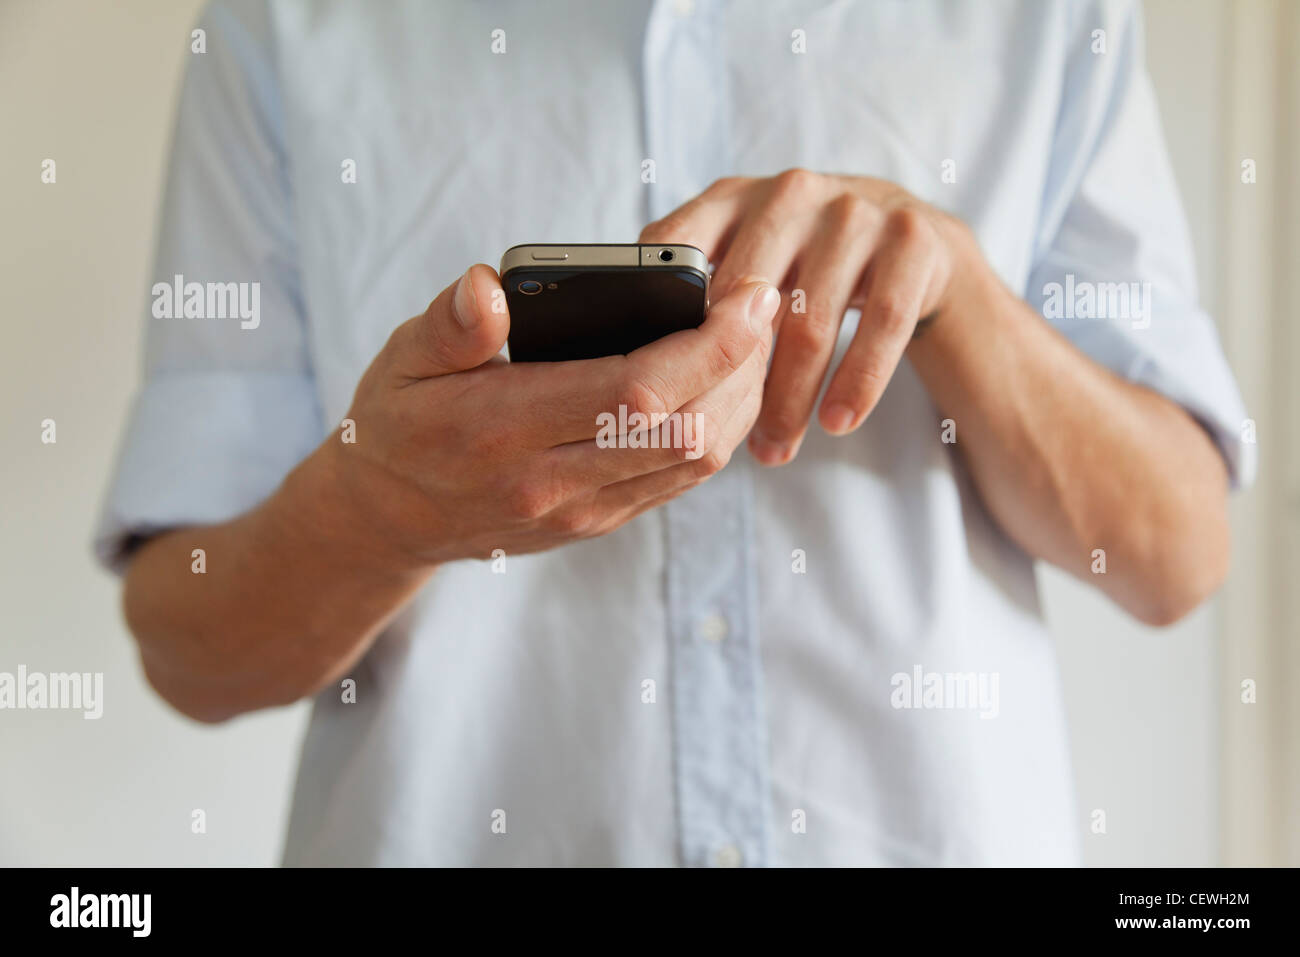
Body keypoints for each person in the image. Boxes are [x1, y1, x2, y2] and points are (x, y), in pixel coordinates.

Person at [96, 0, 1252, 866]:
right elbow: (189, 648)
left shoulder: (1046, 16)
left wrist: (959, 299)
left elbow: (1176, 554)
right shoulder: (285, 25)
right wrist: (374, 515)